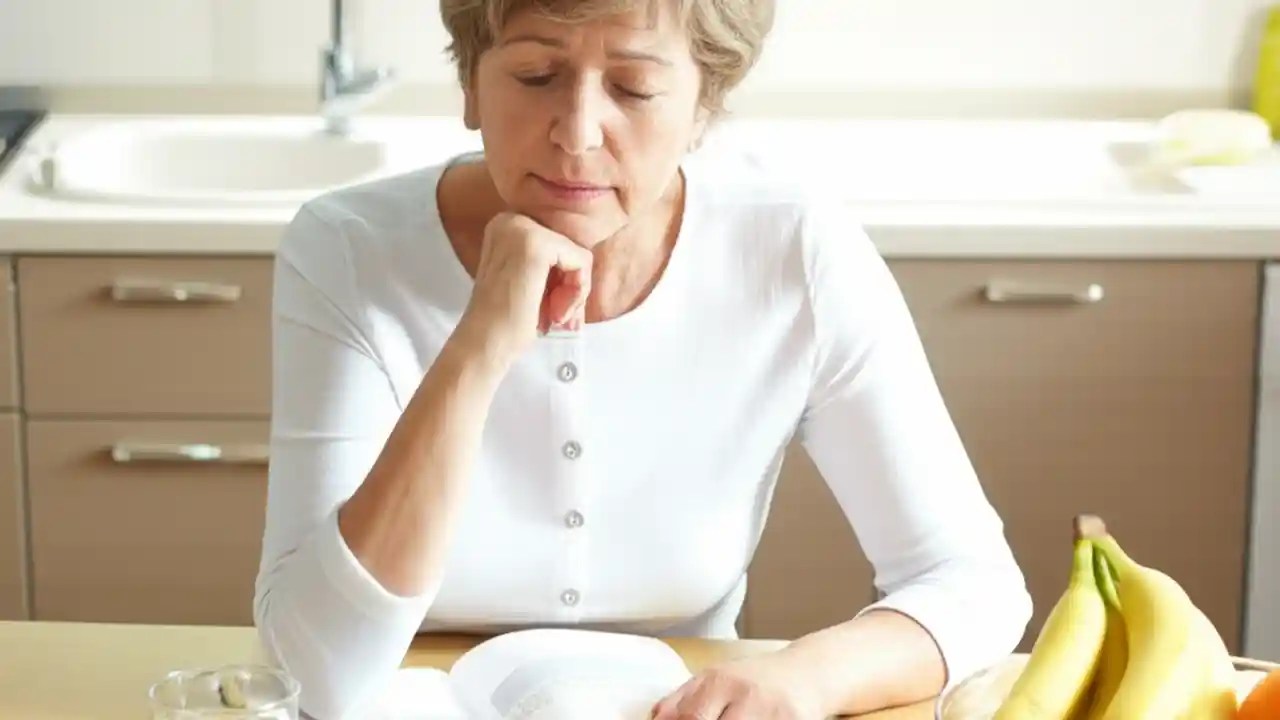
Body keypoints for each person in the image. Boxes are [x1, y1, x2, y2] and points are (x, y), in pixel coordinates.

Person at [253, 0, 1032, 718]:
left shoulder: (793, 250)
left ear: (703, 106)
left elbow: (973, 584)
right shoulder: (348, 247)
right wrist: (478, 348)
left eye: (633, 89)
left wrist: (802, 676)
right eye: (535, 75)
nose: (578, 131)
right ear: (470, 84)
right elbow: (314, 671)